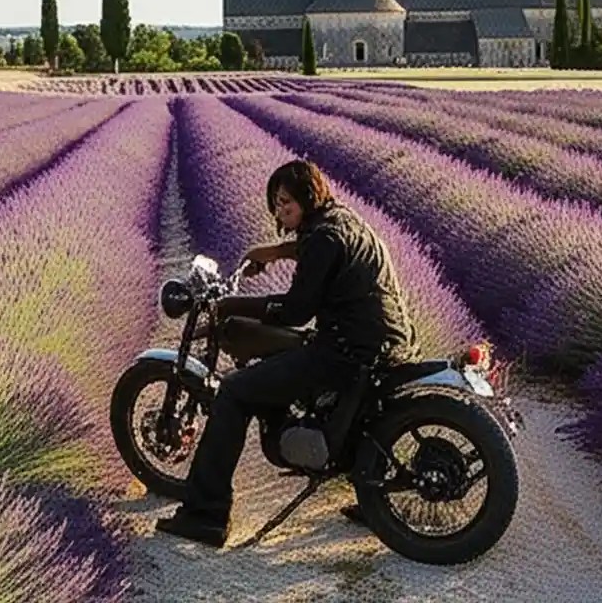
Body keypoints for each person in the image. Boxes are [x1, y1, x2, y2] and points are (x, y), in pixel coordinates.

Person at [155, 159, 420, 547]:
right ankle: (374, 495)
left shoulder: (323, 238)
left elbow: (295, 311)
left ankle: (206, 515)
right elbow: (319, 250)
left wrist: (232, 307)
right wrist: (275, 251)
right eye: (276, 204)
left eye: (286, 203)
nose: (280, 212)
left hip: (350, 350)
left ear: (308, 199)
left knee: (235, 392)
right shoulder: (340, 219)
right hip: (389, 341)